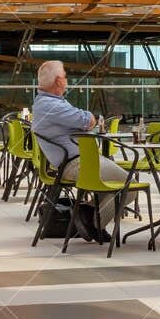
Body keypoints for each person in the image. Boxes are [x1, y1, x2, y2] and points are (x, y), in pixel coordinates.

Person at [33, 60, 127, 240]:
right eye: (65, 76)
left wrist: (84, 120)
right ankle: (94, 222)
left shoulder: (49, 102)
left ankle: (86, 212)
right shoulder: (51, 105)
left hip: (79, 161)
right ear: (59, 81)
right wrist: (88, 118)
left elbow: (81, 121)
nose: (67, 79)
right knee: (129, 183)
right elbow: (87, 121)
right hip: (75, 164)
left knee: (113, 184)